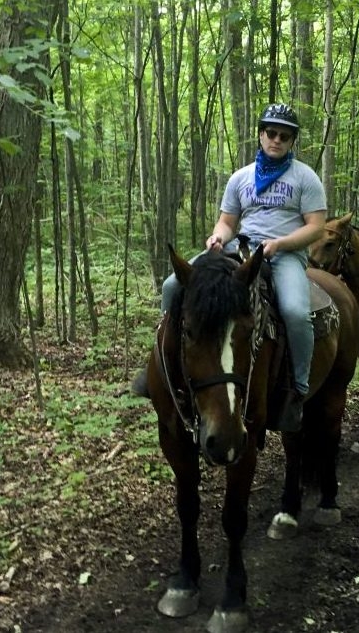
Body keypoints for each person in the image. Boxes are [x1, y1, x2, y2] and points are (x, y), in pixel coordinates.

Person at [135, 103, 326, 433]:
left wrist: (280, 243)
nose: (276, 140)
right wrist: (217, 238)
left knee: (295, 311)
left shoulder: (305, 178)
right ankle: (162, 368)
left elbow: (316, 228)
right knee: (171, 286)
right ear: (261, 134)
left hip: (284, 254)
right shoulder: (241, 177)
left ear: (292, 140)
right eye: (271, 133)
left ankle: (298, 387)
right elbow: (227, 221)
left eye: (284, 135)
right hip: (240, 250)